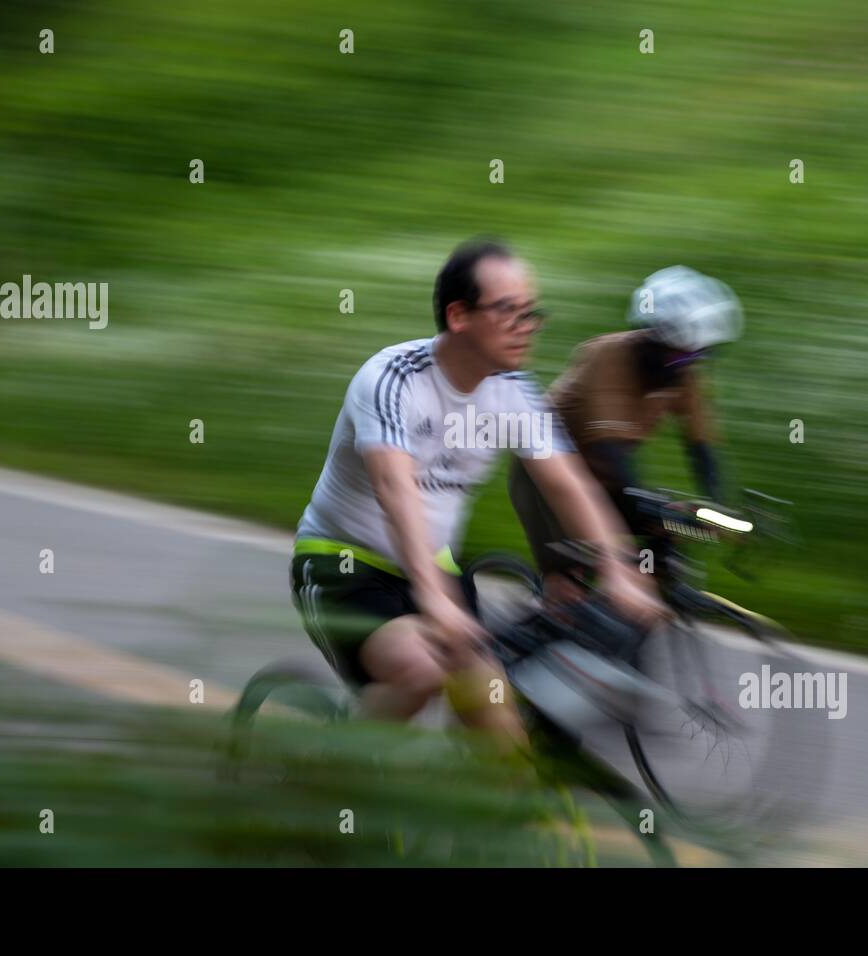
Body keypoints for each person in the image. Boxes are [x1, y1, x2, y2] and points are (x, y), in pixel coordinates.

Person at [291, 240, 665, 751]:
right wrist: (433, 598)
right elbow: (394, 488)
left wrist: (618, 567)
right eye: (509, 310)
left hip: (435, 569)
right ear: (459, 315)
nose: (526, 324)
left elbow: (566, 482)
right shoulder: (392, 378)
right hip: (344, 567)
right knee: (420, 671)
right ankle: (325, 771)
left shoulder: (513, 391)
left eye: (532, 312)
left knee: (498, 732)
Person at [508, 265, 743, 603]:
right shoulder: (608, 357)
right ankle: (558, 608)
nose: (688, 365)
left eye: (698, 355)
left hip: (601, 476)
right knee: (570, 587)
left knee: (673, 526)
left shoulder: (685, 374)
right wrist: (651, 509)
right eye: (680, 355)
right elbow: (613, 455)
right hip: (546, 475)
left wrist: (722, 510)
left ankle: (642, 607)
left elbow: (701, 446)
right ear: (653, 338)